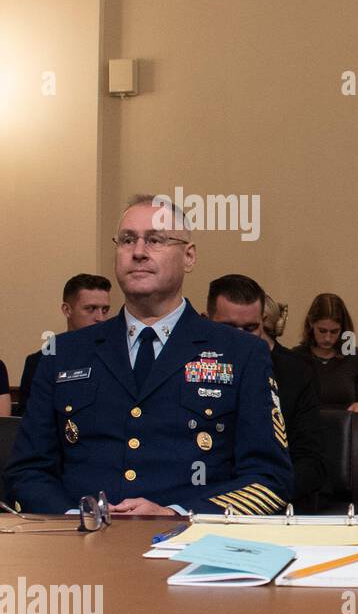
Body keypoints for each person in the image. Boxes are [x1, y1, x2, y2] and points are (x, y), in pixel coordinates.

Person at [4, 194, 292, 515]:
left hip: (192, 538)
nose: (138, 252)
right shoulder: (63, 354)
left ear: (189, 257)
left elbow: (269, 479)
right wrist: (79, 519)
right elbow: (26, 472)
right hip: (78, 538)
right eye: (128, 240)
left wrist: (176, 514)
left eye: (155, 240)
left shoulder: (241, 353)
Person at [207, 274, 327, 505]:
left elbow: (311, 463)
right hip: (202, 501)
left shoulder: (296, 373)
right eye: (229, 328)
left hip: (269, 501)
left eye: (250, 328)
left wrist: (262, 494)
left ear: (263, 323)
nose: (240, 339)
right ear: (206, 322)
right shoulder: (188, 366)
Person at [17, 274, 113, 415]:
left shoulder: (116, 356)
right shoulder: (41, 361)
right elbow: (32, 420)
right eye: (91, 309)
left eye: (105, 310)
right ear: (67, 310)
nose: (100, 318)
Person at [293, 293, 358, 420]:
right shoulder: (296, 357)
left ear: (342, 329)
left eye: (334, 331)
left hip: (345, 429)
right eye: (322, 330)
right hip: (307, 429)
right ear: (311, 323)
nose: (327, 338)